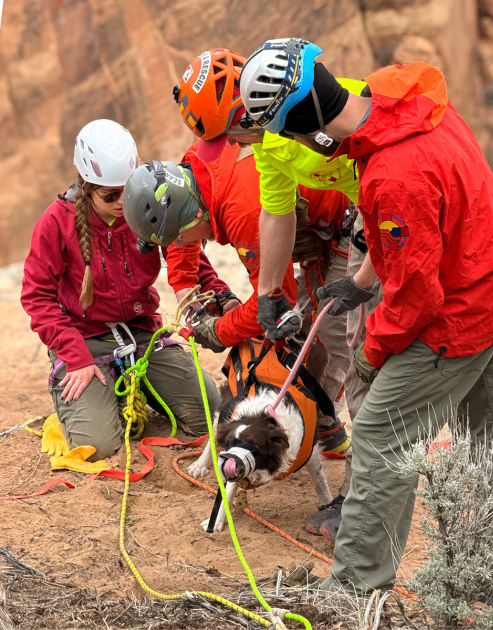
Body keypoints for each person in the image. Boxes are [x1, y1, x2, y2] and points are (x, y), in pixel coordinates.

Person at [238, 39, 493, 600]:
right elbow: (419, 235)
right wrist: (359, 285)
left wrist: (371, 353)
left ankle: (354, 588)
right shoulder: (402, 98)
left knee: (381, 431)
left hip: (463, 310)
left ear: (306, 128)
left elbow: (415, 299)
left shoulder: (390, 173)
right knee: (492, 432)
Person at [166, 48, 361, 538]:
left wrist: (219, 330)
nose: (229, 145)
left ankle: (344, 465)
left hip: (343, 228)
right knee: (302, 336)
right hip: (314, 230)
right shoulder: (200, 162)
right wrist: (190, 293)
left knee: (339, 343)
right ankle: (318, 418)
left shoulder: (239, 204)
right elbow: (181, 237)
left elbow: (273, 301)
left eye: (232, 136)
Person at [21, 119, 225, 467]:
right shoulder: (56, 222)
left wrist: (220, 295)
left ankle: (135, 386)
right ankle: (84, 407)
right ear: (87, 187)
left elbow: (189, 257)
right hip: (83, 341)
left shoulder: (151, 202)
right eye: (109, 195)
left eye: (126, 190)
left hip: (142, 334)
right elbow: (36, 298)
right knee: (98, 447)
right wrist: (74, 356)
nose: (121, 202)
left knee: (210, 415)